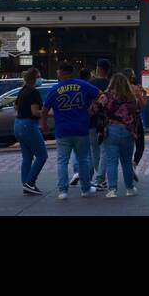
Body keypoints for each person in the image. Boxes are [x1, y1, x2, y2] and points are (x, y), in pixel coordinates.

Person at [41, 63, 101, 200]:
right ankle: (85, 189)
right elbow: (100, 94)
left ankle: (63, 191)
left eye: (58, 71)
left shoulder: (55, 88)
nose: (57, 73)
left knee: (62, 161)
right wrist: (93, 107)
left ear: (61, 73)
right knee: (83, 160)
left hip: (63, 129)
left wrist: (43, 124)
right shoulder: (83, 85)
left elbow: (44, 109)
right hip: (81, 128)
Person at [95, 72, 141, 197]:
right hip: (127, 130)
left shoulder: (105, 96)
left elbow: (97, 109)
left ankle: (112, 190)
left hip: (110, 130)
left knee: (111, 162)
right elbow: (137, 111)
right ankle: (129, 188)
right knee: (126, 162)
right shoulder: (131, 97)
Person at [14, 68, 48, 195]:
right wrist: (47, 112)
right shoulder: (34, 92)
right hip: (29, 125)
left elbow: (16, 107)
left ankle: (26, 184)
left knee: (27, 157)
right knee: (42, 155)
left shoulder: (22, 90)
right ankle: (30, 182)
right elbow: (35, 112)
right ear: (34, 78)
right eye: (39, 76)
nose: (41, 79)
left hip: (18, 124)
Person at [87, 58, 112, 189]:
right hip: (105, 122)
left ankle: (98, 177)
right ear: (108, 70)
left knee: (94, 151)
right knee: (104, 151)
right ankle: (100, 178)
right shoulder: (111, 85)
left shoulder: (90, 84)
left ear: (98, 68)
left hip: (91, 121)